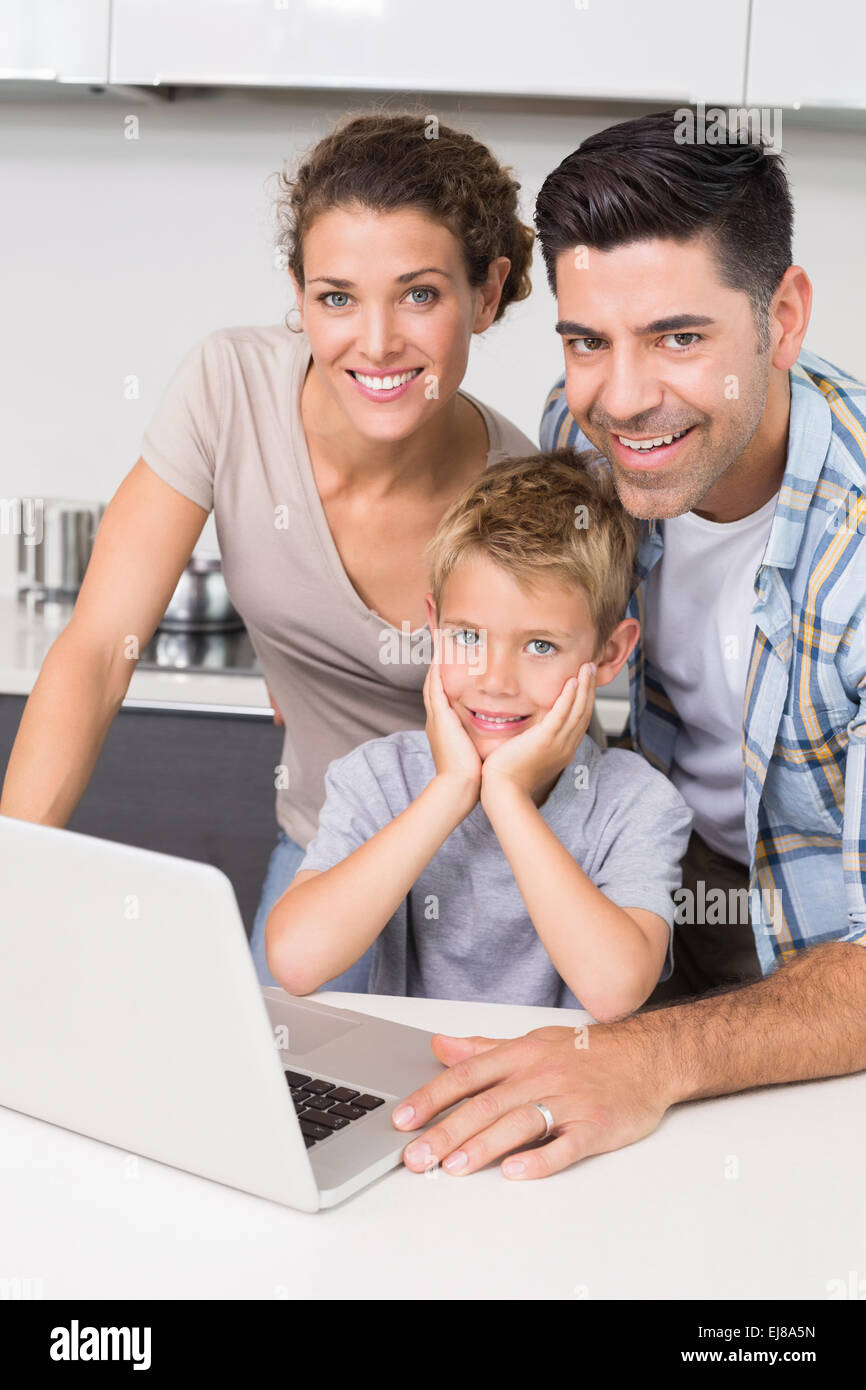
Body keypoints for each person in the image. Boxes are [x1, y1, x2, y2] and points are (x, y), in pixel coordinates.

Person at [385, 107, 866, 1183]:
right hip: (653, 884)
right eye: (586, 339)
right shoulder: (584, 436)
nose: (625, 395)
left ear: (780, 318)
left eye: (678, 337)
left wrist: (645, 1055)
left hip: (824, 947)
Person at [0, 111, 575, 991]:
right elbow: (97, 650)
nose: (375, 342)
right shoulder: (228, 390)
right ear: (300, 294)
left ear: (487, 293)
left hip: (497, 891)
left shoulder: (521, 496)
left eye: (419, 294)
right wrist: (17, 879)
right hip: (326, 859)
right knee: (282, 1107)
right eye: (336, 296)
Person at [265, 451, 693, 1018]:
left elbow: (614, 990)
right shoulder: (380, 778)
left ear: (610, 653)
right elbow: (296, 960)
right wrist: (451, 789)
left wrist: (507, 796)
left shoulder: (635, 803)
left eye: (540, 646)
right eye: (468, 638)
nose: (495, 681)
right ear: (434, 625)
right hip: (413, 1086)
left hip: (559, 1091)